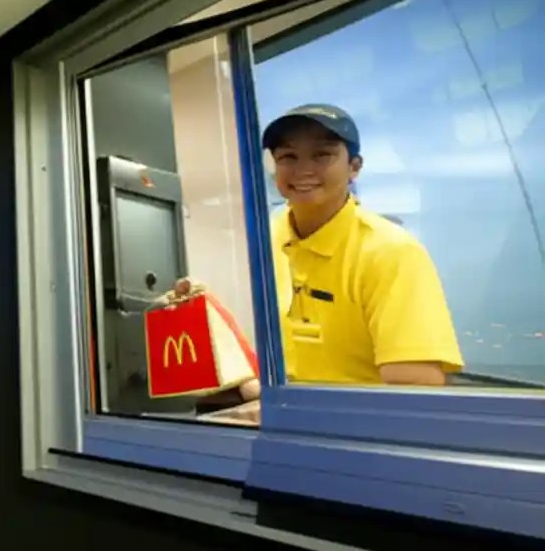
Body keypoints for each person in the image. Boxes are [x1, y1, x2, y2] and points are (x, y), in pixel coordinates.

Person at [174, 103, 465, 422]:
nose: (303, 170)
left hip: (362, 433)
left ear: (354, 167)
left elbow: (415, 389)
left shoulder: (391, 252)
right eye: (288, 157)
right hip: (288, 424)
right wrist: (200, 319)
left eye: (322, 155)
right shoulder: (272, 235)